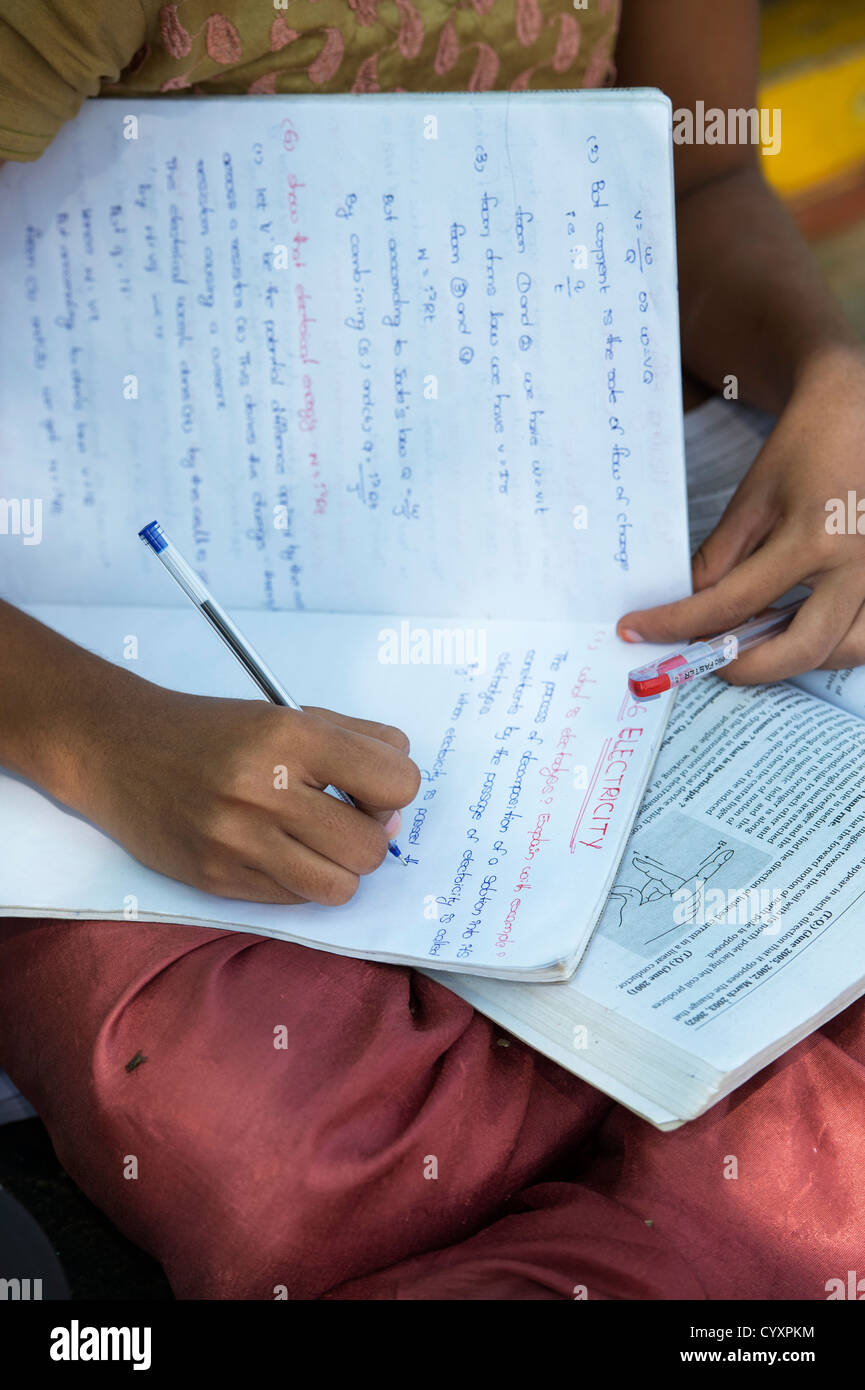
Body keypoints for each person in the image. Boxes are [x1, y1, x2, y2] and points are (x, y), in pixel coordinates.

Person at [1, 0, 864, 1299]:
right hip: (116, 633)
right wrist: (92, 734)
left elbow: (698, 175)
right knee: (274, 1161)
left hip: (589, 542)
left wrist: (818, 373)